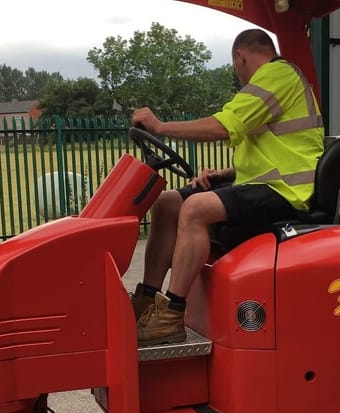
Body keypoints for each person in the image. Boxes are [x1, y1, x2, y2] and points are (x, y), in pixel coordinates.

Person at [130, 28, 324, 346]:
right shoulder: (276, 88)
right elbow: (276, 152)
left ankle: (170, 315)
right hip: (264, 184)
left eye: (237, 65)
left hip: (287, 193)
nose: (238, 72)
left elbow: (223, 126)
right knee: (166, 203)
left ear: (241, 56)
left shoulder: (277, 75)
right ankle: (147, 302)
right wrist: (222, 175)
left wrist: (160, 126)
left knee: (195, 208)